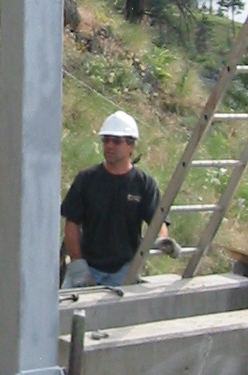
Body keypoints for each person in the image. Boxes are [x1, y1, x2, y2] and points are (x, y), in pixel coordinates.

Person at [60, 110, 171, 288]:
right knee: (65, 314)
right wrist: (78, 267)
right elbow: (71, 225)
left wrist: (163, 241)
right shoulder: (87, 180)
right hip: (89, 267)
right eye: (106, 140)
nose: (109, 145)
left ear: (131, 146)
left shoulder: (143, 184)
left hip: (124, 272)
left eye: (116, 141)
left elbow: (158, 222)